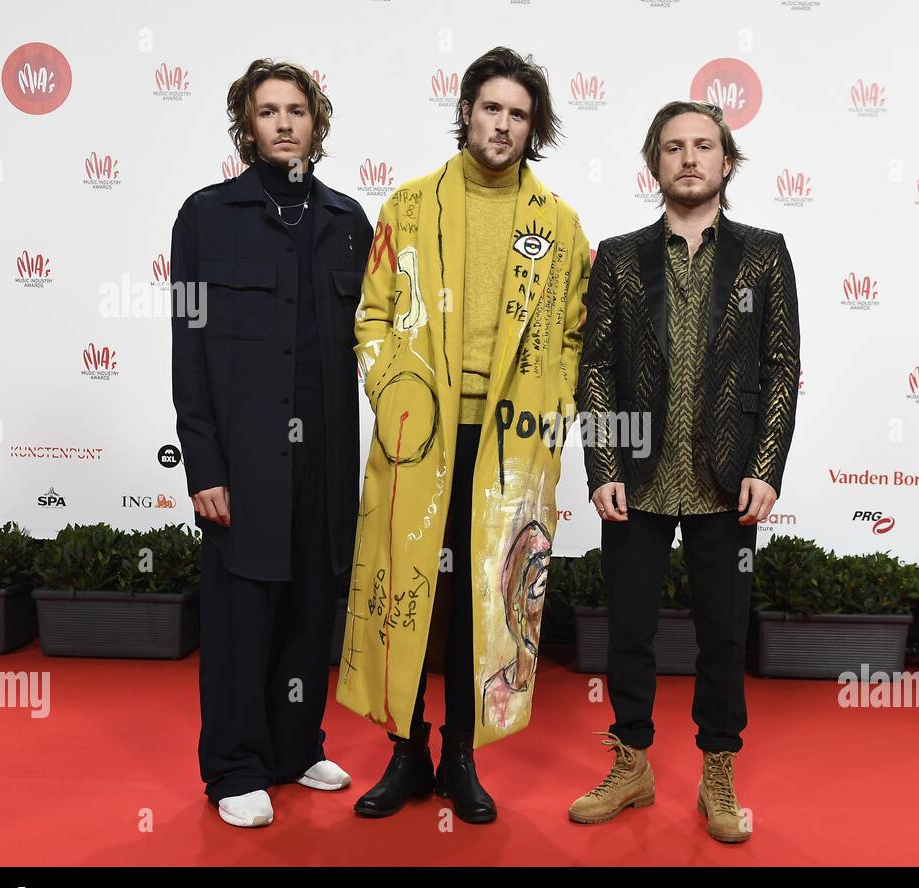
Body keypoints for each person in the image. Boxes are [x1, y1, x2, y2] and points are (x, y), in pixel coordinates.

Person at [339, 47, 590, 825]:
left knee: (486, 596)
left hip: (509, 438)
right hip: (423, 433)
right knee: (410, 583)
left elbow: (576, 335)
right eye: (492, 108)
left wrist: (553, 408)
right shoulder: (408, 207)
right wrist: (392, 396)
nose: (503, 125)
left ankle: (461, 755)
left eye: (519, 114)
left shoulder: (561, 226)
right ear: (467, 111)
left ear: (533, 128)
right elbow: (372, 315)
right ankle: (406, 749)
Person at [571, 101, 800, 843]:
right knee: (629, 630)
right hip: (637, 477)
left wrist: (766, 465)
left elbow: (781, 366)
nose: (690, 158)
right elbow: (597, 364)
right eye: (674, 147)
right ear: (654, 164)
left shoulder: (765, 254)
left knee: (723, 634)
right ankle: (631, 762)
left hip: (725, 481)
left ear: (725, 162)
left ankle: (717, 770)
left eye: (704, 146)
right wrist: (603, 458)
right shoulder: (619, 255)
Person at [170, 59, 370, 827]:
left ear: (315, 123)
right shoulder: (205, 216)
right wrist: (204, 462)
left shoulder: (349, 220)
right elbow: (189, 349)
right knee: (240, 616)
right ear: (245, 125)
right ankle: (233, 767)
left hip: (324, 457)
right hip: (243, 460)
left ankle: (294, 746)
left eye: (296, 110)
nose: (284, 122)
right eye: (267, 111)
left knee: (310, 607)